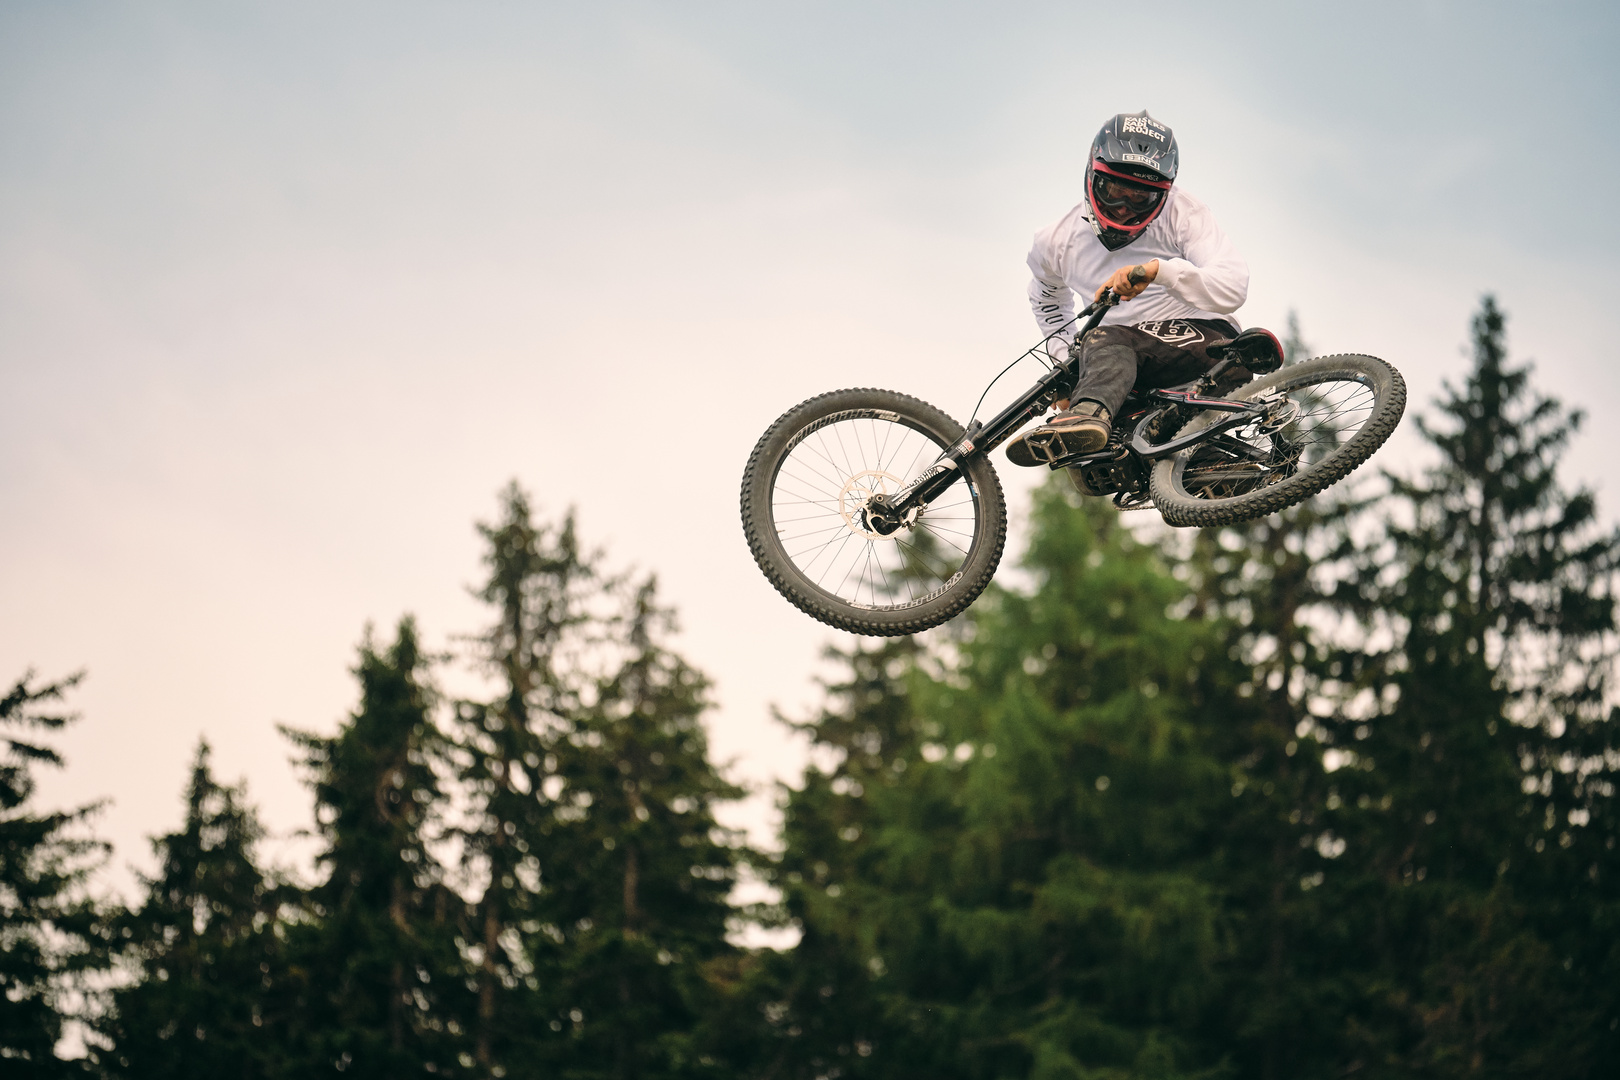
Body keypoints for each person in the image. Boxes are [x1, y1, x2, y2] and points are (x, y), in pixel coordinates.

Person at [1005, 110, 1282, 471]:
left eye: (1141, 200)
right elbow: (1046, 296)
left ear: (1163, 196)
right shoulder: (1055, 240)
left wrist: (1160, 272)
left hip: (1207, 345)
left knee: (1106, 341)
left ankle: (1090, 413)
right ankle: (1211, 470)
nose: (1123, 209)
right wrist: (1065, 363)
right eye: (1116, 192)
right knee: (1111, 452)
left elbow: (1233, 285)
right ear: (1092, 175)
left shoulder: (1184, 213)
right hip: (1131, 368)